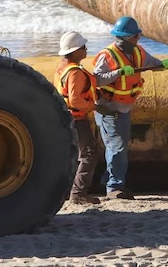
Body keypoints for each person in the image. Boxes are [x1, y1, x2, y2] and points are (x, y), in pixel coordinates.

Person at [92, 16, 168, 199]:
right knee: (116, 147)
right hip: (108, 110)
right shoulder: (107, 56)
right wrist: (118, 73)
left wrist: (162, 65)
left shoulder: (138, 52)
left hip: (124, 109)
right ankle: (114, 188)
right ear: (126, 38)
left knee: (119, 148)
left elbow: (152, 63)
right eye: (136, 36)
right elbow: (96, 79)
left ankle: (109, 180)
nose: (139, 38)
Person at [55, 31, 100, 205]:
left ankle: (68, 191)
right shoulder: (75, 73)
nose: (86, 49)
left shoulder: (62, 68)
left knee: (73, 154)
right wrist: (93, 106)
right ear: (74, 52)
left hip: (65, 118)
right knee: (89, 152)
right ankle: (79, 192)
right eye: (82, 47)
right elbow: (75, 99)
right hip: (77, 118)